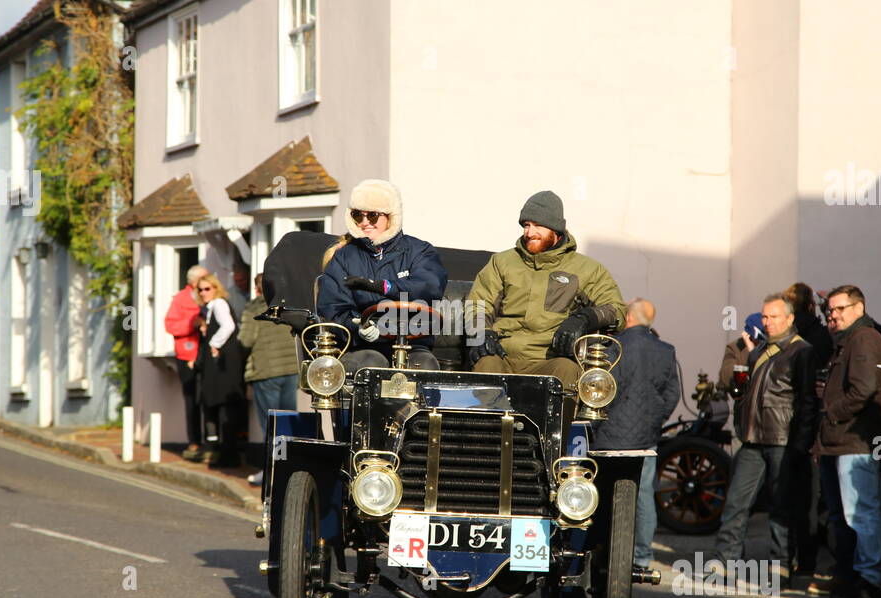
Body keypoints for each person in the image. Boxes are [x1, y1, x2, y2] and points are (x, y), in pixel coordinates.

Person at [465, 190, 626, 390]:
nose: (530, 233)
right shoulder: (503, 262)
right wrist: (482, 332)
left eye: (538, 226)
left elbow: (616, 310)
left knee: (567, 370)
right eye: (526, 225)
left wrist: (585, 318)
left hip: (551, 358)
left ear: (556, 230)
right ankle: (488, 421)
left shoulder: (587, 270)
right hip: (503, 353)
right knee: (485, 363)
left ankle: (556, 422)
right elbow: (478, 302)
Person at [713, 294, 817, 573]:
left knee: (781, 507)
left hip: (782, 438)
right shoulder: (759, 350)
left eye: (773, 317)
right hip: (752, 437)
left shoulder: (801, 351)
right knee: (736, 502)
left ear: (789, 319)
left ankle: (780, 564)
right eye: (765, 316)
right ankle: (726, 560)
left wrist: (801, 443)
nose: (767, 322)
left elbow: (808, 402)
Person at [807, 285, 881, 598]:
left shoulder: (864, 338)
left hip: (856, 441)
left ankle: (868, 581)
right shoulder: (845, 342)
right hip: (838, 441)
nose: (834, 315)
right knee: (843, 515)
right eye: (830, 311)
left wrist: (831, 412)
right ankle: (848, 577)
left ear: (859, 307)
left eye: (840, 309)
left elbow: (864, 389)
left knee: (861, 513)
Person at [316, 179, 447, 371]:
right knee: (369, 366)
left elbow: (429, 287)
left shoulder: (420, 251)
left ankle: (415, 402)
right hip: (363, 345)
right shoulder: (344, 257)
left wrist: (387, 287)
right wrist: (359, 327)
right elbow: (333, 308)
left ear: (391, 216)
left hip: (413, 342)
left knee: (424, 366)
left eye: (373, 216)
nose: (365, 222)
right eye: (357, 215)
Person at [593, 298, 680, 572]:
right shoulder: (666, 350)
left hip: (608, 436)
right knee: (643, 496)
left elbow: (603, 391)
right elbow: (672, 395)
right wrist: (655, 420)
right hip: (645, 439)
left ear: (628, 317)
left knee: (601, 495)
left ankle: (600, 553)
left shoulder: (613, 347)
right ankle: (641, 558)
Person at [241, 273, 300, 486]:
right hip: (290, 370)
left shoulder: (254, 308)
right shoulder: (288, 305)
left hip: (266, 372)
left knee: (270, 425)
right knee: (287, 421)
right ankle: (288, 470)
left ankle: (270, 474)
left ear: (258, 289)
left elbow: (245, 340)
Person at [195, 274, 245, 467]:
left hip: (225, 366)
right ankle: (224, 454)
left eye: (207, 288)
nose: (203, 293)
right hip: (221, 366)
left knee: (226, 410)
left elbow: (229, 326)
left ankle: (229, 456)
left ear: (216, 289)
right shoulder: (211, 308)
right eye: (200, 289)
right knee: (222, 408)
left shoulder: (219, 305)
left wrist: (214, 344)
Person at [165, 265, 209, 461]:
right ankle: (194, 441)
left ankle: (210, 441)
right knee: (191, 399)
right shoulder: (181, 298)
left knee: (208, 397)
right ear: (193, 281)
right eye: (202, 278)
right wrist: (192, 324)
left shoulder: (208, 294)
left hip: (206, 353)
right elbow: (170, 324)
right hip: (187, 354)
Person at [786, 282, 833, 369]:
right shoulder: (822, 333)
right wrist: (827, 310)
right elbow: (837, 333)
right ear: (810, 306)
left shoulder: (784, 331)